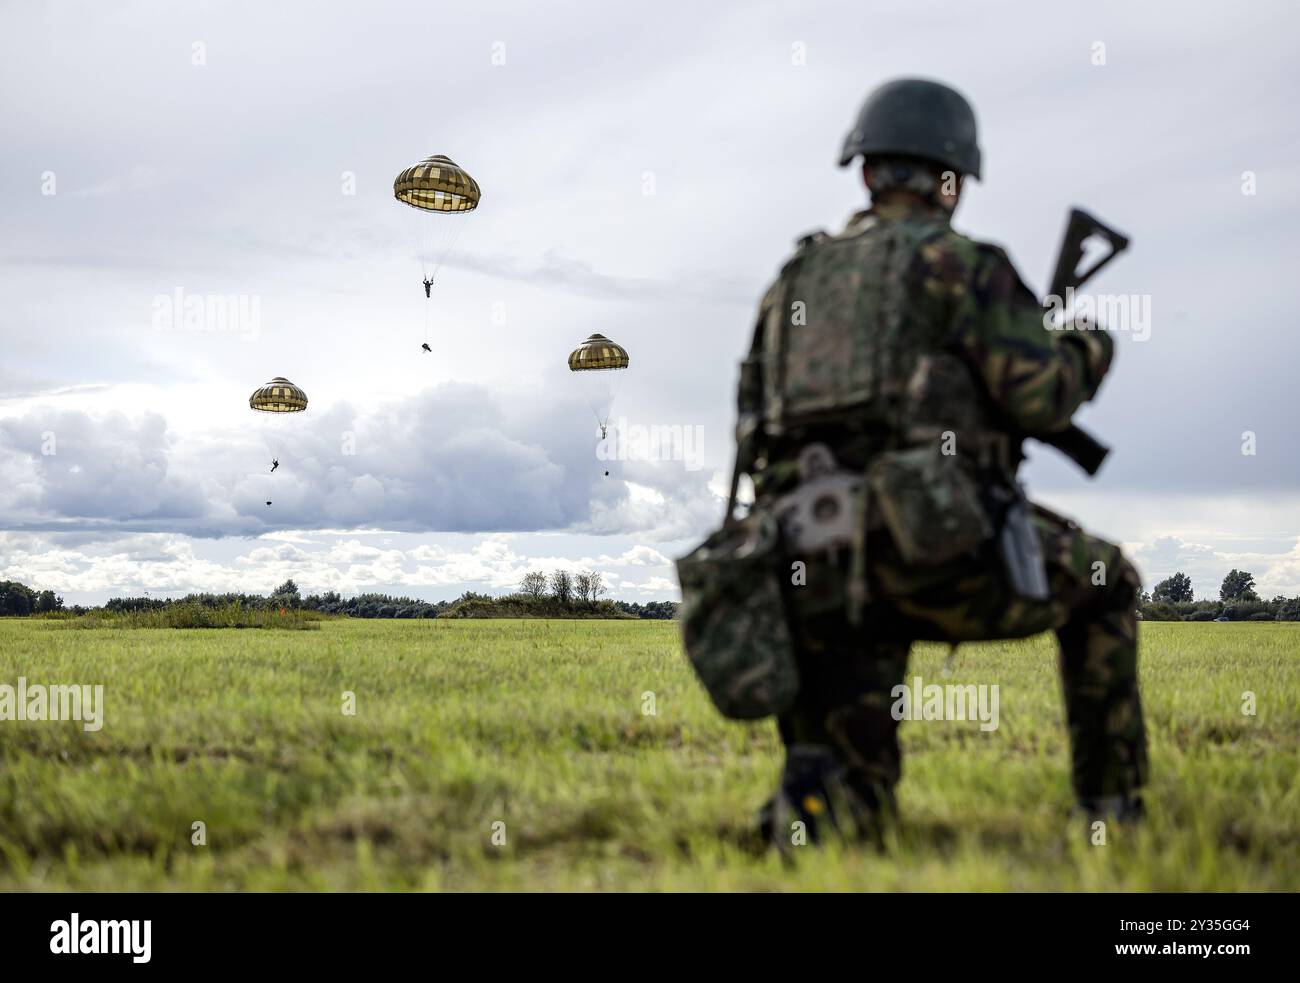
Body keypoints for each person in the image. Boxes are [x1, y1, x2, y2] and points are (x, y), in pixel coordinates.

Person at [735, 78, 1148, 846]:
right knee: (1107, 581)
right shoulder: (965, 266)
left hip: (809, 566)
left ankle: (824, 795)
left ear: (864, 171)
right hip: (933, 551)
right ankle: (1111, 812)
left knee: (848, 808)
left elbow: (754, 430)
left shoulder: (788, 283)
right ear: (951, 182)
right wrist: (1089, 347)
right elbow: (1043, 398)